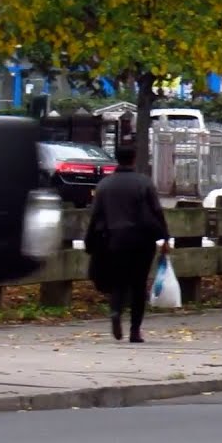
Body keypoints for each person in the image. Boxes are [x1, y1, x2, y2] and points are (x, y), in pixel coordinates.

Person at [85, 146, 170, 343]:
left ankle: (116, 310)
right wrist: (165, 237)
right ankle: (135, 330)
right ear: (134, 158)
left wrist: (90, 240)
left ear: (116, 159)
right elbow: (156, 210)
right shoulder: (143, 183)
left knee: (118, 280)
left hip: (114, 240)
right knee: (139, 284)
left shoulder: (105, 185)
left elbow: (96, 215)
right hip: (142, 241)